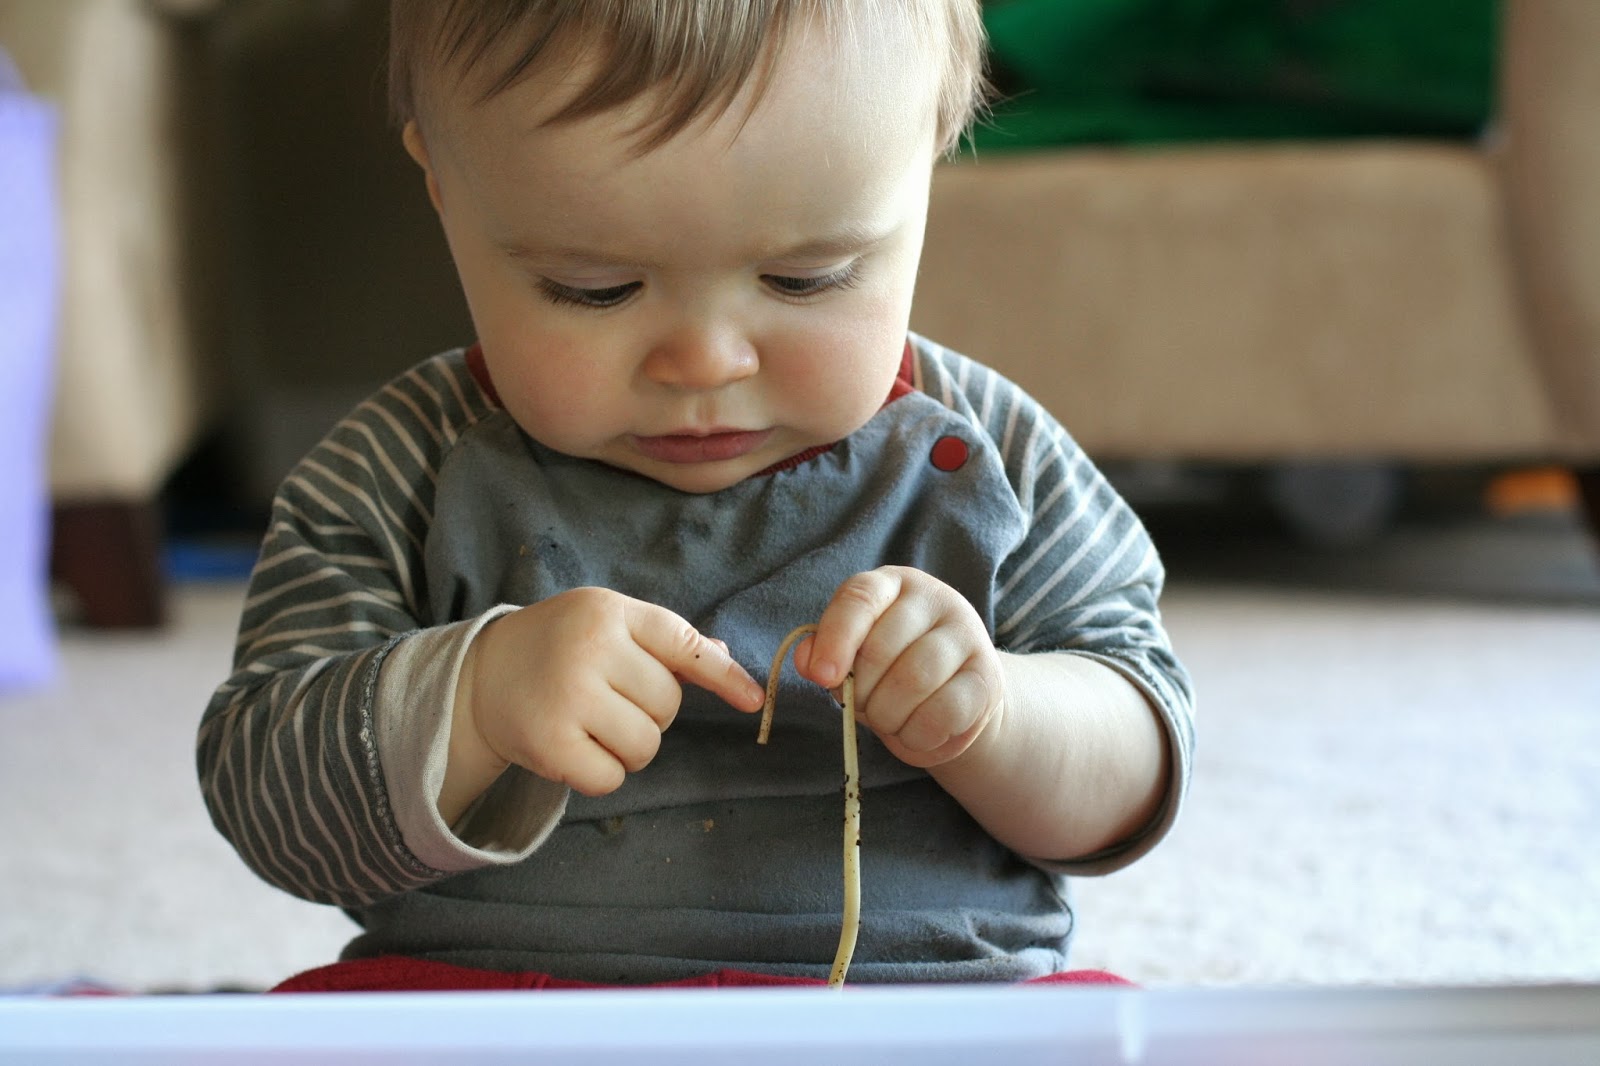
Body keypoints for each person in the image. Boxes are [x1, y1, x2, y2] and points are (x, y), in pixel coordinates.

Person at [198, 0, 1195, 991]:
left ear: (931, 151)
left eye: (807, 278)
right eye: (593, 288)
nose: (703, 361)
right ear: (443, 186)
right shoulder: (395, 471)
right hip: (495, 1004)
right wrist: (474, 702)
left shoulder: (997, 454)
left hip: (920, 1006)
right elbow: (272, 805)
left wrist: (998, 714)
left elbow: (1139, 769)